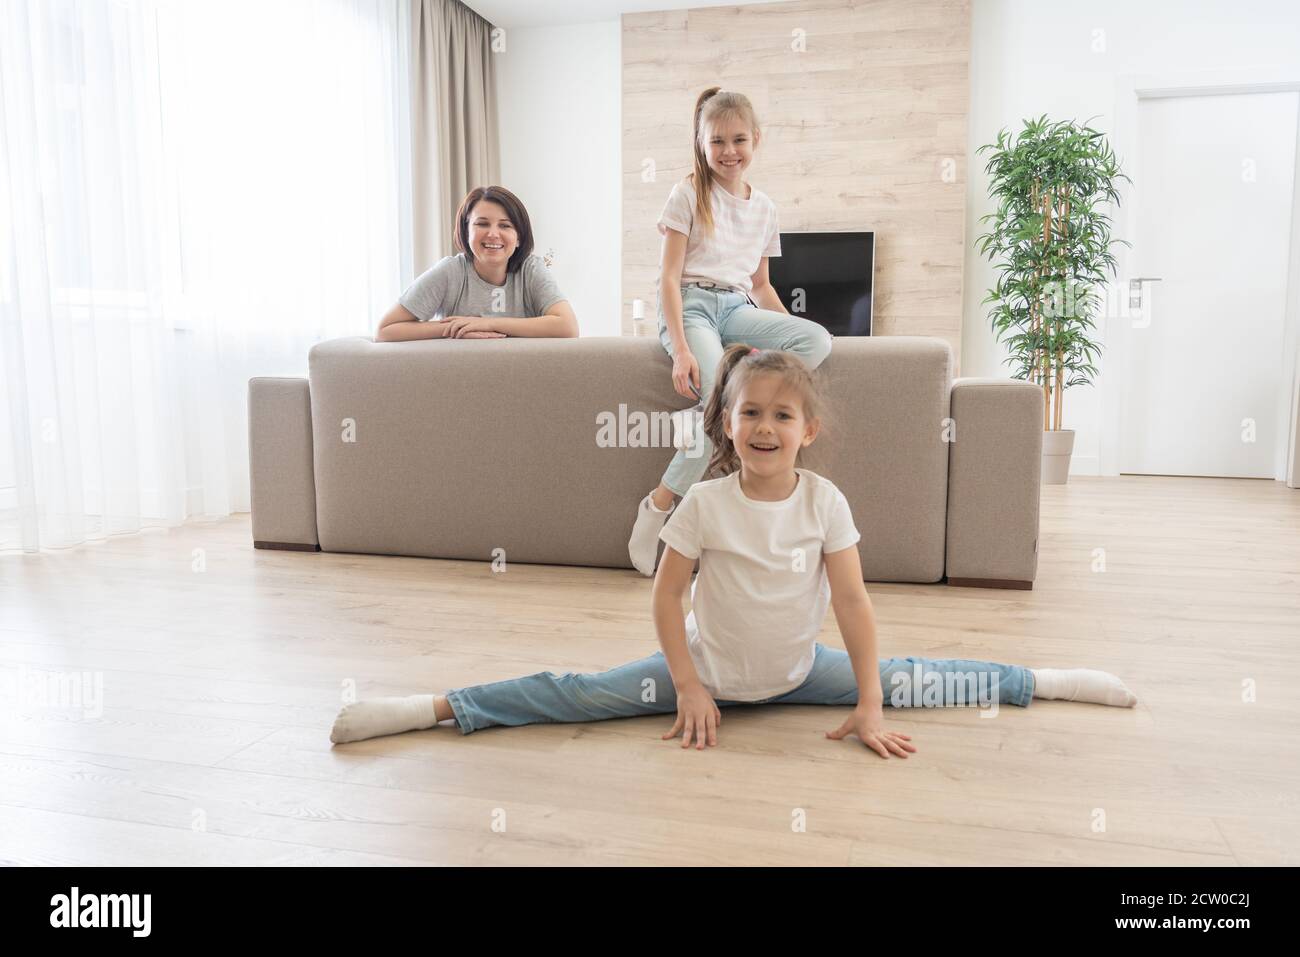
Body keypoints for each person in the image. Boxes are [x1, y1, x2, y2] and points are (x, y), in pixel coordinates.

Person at [330, 346, 1137, 756]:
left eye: (784, 417)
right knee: (574, 693)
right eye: (751, 412)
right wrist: (686, 684)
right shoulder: (706, 504)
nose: (764, 428)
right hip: (707, 672)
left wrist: (867, 701)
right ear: (726, 423)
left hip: (798, 671)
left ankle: (1050, 680)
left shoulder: (825, 502)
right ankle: (435, 707)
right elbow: (664, 597)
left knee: (922, 677)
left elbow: (853, 602)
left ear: (807, 431)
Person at [628, 87, 835, 576]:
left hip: (738, 308)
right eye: (716, 140)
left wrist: (787, 335)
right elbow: (668, 279)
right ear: (700, 143)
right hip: (693, 306)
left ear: (756, 139)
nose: (728, 151)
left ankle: (706, 409)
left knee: (817, 339)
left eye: (738, 139)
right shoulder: (686, 194)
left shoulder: (764, 208)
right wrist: (681, 349)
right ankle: (657, 506)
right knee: (721, 401)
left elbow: (761, 285)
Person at [375, 185, 577, 341]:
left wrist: (488, 324)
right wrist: (456, 330)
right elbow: (385, 330)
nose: (493, 234)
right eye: (482, 224)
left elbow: (568, 327)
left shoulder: (531, 269)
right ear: (466, 232)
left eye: (505, 225)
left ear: (519, 238)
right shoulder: (450, 271)